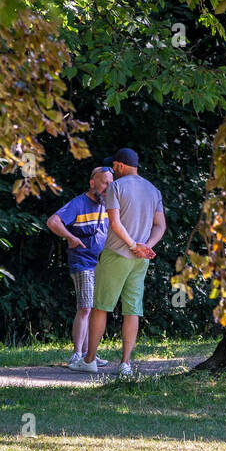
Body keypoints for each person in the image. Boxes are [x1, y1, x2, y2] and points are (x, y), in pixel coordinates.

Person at [72, 148, 166, 378]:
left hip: (117, 254)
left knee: (100, 307)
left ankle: (90, 360)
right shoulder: (153, 190)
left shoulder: (116, 187)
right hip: (140, 259)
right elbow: (160, 225)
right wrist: (146, 246)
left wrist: (133, 244)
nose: (113, 171)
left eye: (114, 166)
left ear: (121, 166)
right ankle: (125, 364)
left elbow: (114, 222)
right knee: (132, 310)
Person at [47, 166, 114, 367]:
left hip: (101, 263)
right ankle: (77, 354)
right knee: (85, 307)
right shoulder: (78, 203)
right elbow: (53, 221)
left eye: (111, 184)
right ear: (92, 182)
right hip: (83, 261)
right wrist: (71, 237)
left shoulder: (107, 204)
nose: (108, 188)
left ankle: (88, 355)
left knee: (94, 309)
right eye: (104, 183)